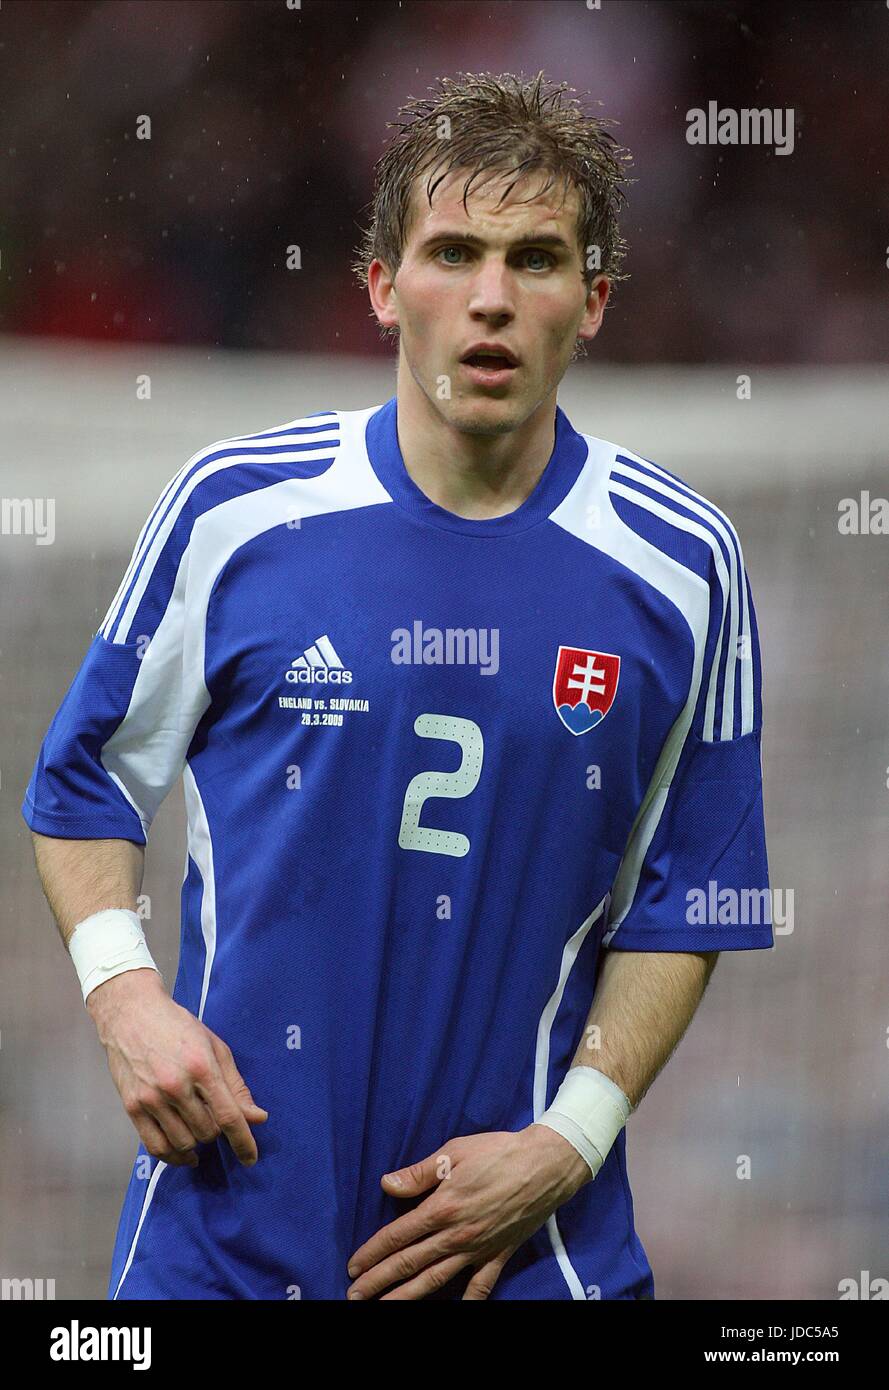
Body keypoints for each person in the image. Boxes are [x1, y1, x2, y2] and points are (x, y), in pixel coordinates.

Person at [22, 72, 772, 1301]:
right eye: (453, 252)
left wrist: (566, 1143)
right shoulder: (235, 512)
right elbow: (82, 783)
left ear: (592, 301)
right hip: (227, 1235)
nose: (491, 297)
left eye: (536, 259)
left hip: (523, 1252)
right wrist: (125, 995)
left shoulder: (682, 564)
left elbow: (692, 895)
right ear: (381, 285)